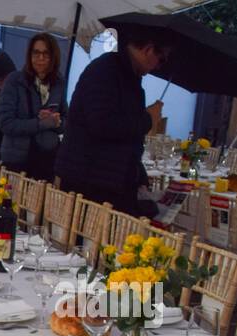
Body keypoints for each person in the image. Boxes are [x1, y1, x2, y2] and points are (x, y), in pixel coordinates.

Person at [54, 31, 172, 217]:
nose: (158, 66)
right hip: (91, 180)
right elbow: (102, 125)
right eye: (161, 59)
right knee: (86, 242)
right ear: (148, 50)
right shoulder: (106, 70)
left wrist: (138, 174)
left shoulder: (129, 76)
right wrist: (148, 118)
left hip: (110, 178)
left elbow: (128, 137)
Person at [0, 33, 67, 182]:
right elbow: (6, 123)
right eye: (36, 53)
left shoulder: (59, 83)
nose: (40, 58)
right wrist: (39, 123)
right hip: (17, 160)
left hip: (47, 160)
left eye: (45, 53)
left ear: (53, 56)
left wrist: (57, 122)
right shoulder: (15, 81)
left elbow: (67, 121)